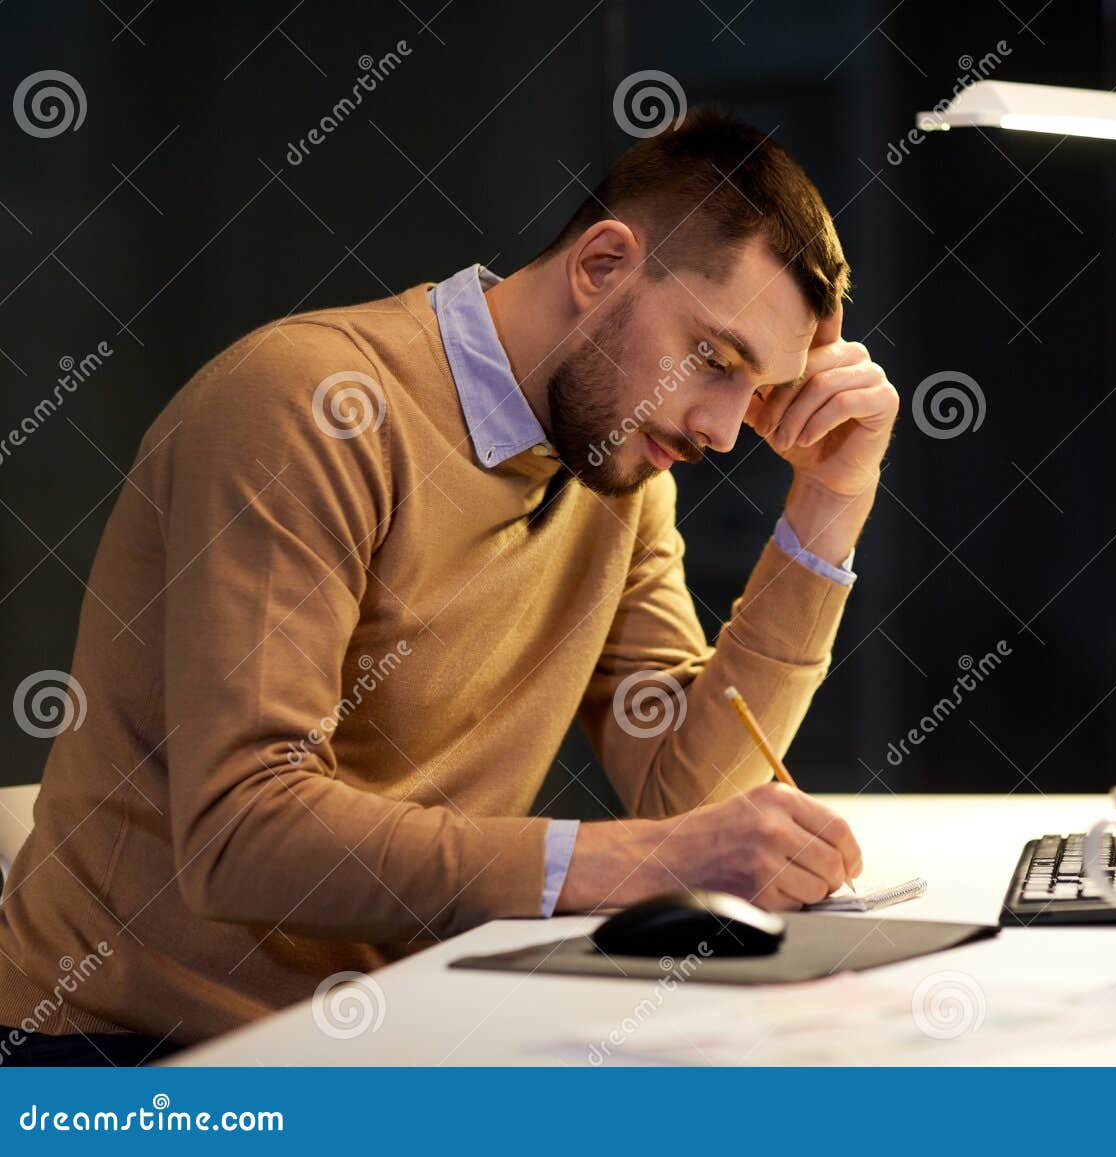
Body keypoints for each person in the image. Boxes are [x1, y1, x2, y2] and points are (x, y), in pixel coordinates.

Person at [0, 107, 897, 1064]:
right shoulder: (307, 408)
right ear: (601, 266)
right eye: (713, 359)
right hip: (139, 1054)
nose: (722, 429)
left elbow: (680, 787)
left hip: (399, 1032)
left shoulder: (619, 475)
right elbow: (241, 830)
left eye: (753, 390)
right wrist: (638, 864)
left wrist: (829, 503)